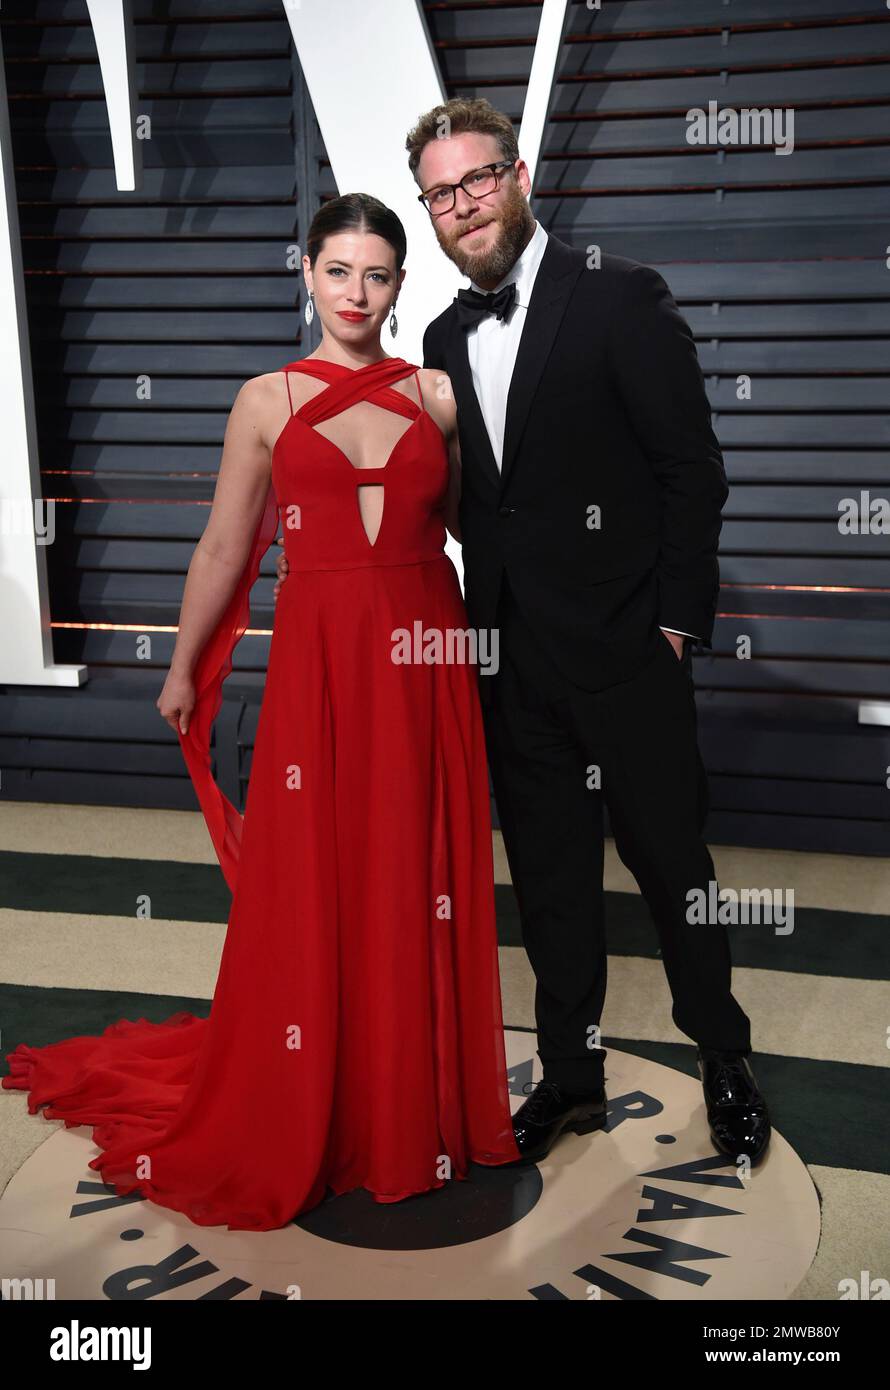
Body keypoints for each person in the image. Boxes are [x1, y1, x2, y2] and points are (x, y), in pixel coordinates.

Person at [2, 192, 525, 1232]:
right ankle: (323, 1096)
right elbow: (224, 548)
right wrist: (185, 663)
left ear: (398, 285)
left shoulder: (435, 395)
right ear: (307, 274)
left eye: (376, 275)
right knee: (323, 873)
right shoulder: (265, 400)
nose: (355, 293)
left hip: (425, 656)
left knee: (419, 871)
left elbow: (482, 531)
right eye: (338, 271)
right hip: (322, 663)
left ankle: (415, 1105)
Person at [277, 98, 771, 1171]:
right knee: (546, 881)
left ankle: (725, 1058)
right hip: (505, 662)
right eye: (441, 195)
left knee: (669, 868)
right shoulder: (446, 335)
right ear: (432, 211)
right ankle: (569, 1075)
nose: (464, 207)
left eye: (478, 180)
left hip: (629, 654)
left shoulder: (619, 298)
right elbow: (471, 505)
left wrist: (675, 626)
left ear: (518, 174)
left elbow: (693, 473)